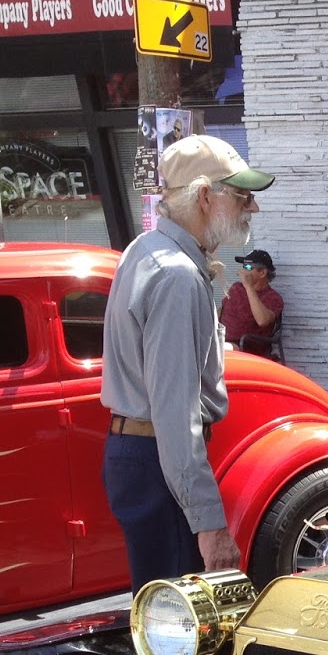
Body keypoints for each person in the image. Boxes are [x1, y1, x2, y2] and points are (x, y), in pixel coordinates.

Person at [101, 134, 275, 590]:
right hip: (158, 458)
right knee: (181, 629)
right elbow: (176, 415)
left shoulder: (147, 249)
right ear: (204, 197)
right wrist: (210, 526)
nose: (251, 208)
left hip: (143, 455)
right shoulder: (176, 275)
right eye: (241, 196)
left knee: (163, 618)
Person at [222, 248, 284, 358]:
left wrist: (249, 286)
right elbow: (221, 310)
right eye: (243, 267)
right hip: (222, 339)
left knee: (215, 351)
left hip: (246, 345)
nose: (244, 272)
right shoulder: (236, 288)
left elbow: (262, 320)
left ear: (262, 273)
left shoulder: (273, 297)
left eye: (248, 267)